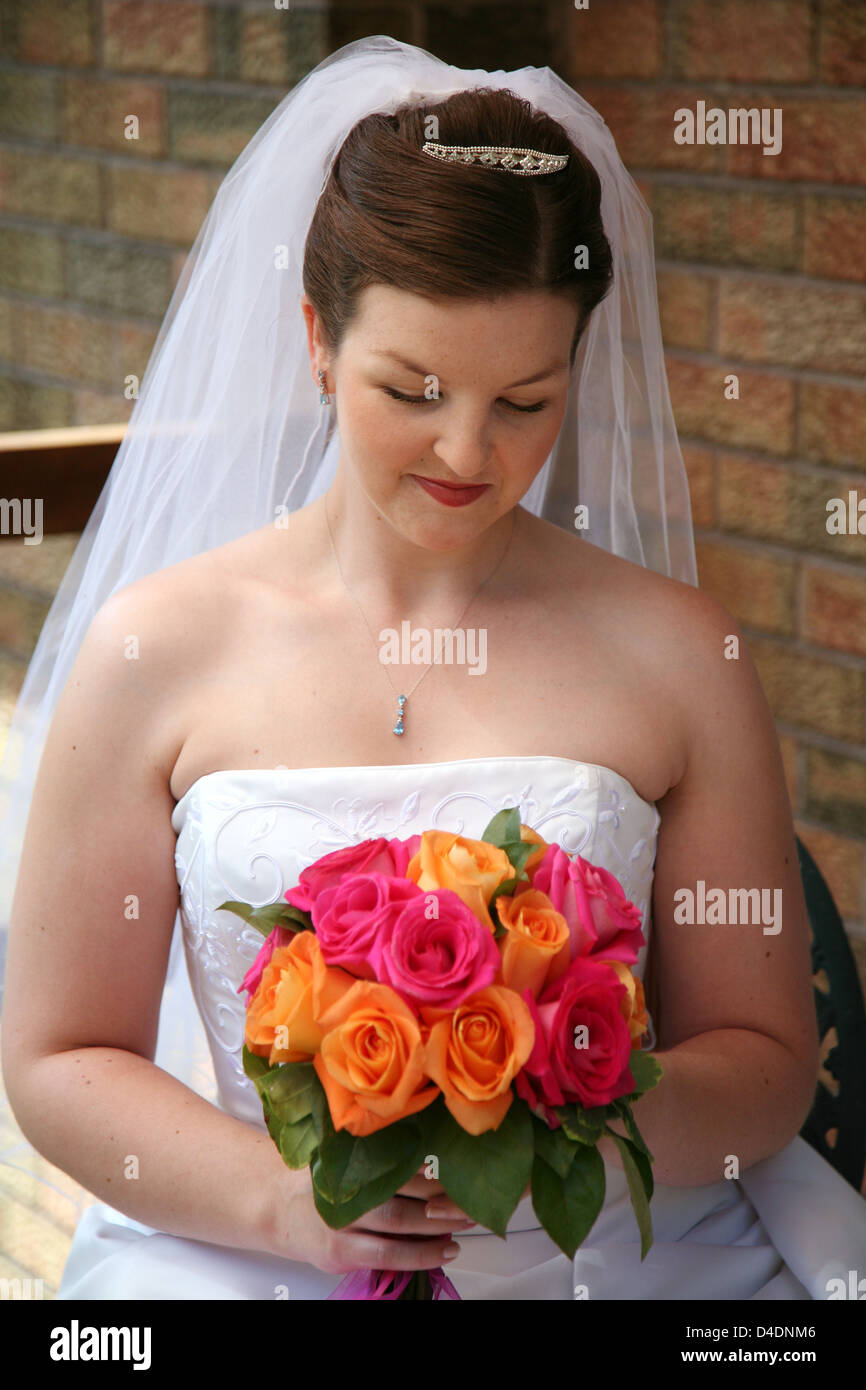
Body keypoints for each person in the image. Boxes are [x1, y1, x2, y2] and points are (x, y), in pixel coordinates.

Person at [1, 35, 865, 1302]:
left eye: (525, 400)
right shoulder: (155, 650)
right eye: (410, 387)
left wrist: (553, 1117)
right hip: (261, 1250)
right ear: (313, 339)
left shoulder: (682, 653)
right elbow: (58, 1056)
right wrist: (284, 1205)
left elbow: (765, 1061)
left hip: (624, 1252)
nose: (467, 451)